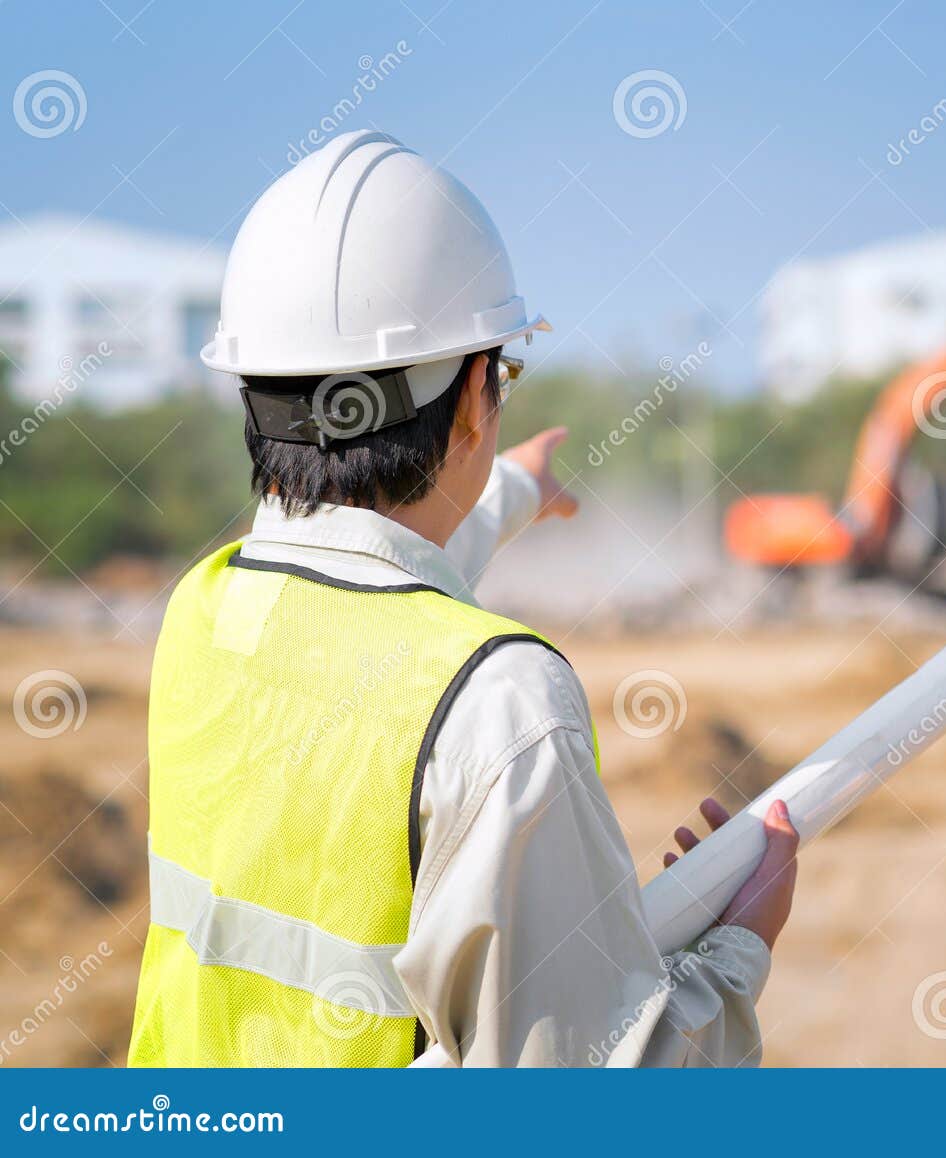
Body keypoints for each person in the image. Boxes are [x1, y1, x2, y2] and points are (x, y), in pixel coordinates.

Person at [128, 131, 799, 1067]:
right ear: (478, 390)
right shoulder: (503, 703)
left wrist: (511, 490)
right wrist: (737, 948)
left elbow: (367, 575)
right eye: (503, 373)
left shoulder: (204, 612)